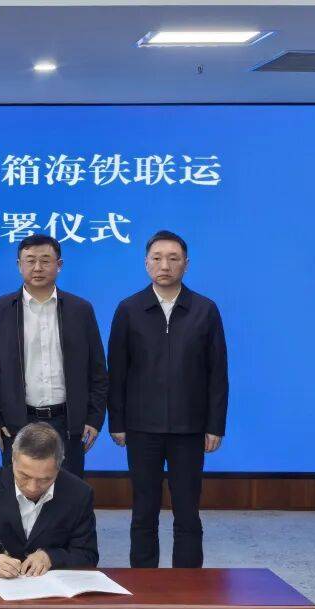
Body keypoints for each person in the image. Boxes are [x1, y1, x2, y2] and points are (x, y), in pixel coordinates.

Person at [108, 230, 228, 568]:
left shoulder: (205, 310)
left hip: (190, 428)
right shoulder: (129, 309)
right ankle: (144, 581)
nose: (165, 265)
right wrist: (117, 422)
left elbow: (217, 373)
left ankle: (188, 582)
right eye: (157, 258)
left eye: (173, 259)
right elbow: (116, 371)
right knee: (143, 509)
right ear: (146, 263)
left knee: (187, 510)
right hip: (141, 428)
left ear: (186, 264)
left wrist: (215, 425)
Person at [0, 234, 108, 476]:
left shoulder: (80, 310)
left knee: (67, 490)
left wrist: (94, 418)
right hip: (17, 423)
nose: (37, 268)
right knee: (21, 490)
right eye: (30, 261)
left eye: (45, 261)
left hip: (68, 423)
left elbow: (97, 370)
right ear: (19, 265)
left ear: (59, 265)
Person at [0, 422, 98, 577]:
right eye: (24, 476)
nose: (32, 488)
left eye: (44, 480)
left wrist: (51, 557)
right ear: (13, 459)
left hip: (50, 588)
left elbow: (87, 555)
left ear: (59, 465)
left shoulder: (79, 493)